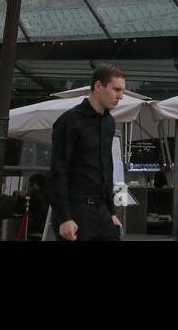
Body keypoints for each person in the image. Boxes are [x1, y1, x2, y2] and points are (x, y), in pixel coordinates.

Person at [50, 62, 127, 241]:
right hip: (76, 212)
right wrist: (64, 217)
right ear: (98, 86)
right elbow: (58, 171)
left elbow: (107, 168)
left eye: (122, 91)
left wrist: (111, 212)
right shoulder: (69, 121)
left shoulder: (109, 123)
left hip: (102, 211)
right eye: (116, 90)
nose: (121, 96)